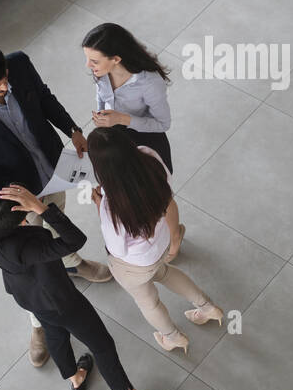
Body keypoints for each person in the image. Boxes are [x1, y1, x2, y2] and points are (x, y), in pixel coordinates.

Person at [0, 38, 112, 369]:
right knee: (36, 266)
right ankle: (38, 326)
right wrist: (11, 198)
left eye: (5, 78)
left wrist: (72, 128)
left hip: (53, 169)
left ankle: (73, 262)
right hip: (20, 200)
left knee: (58, 219)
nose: (5, 86)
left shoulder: (19, 63)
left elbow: (46, 100)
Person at [0, 183, 176, 390]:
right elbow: (75, 240)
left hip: (27, 296)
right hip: (60, 301)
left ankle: (75, 377)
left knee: (55, 334)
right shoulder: (29, 248)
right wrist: (41, 208)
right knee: (102, 344)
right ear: (22, 220)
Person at [87, 125, 222, 356]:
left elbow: (117, 247)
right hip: (161, 243)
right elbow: (167, 189)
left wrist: (100, 207)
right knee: (165, 272)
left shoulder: (112, 206)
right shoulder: (149, 156)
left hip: (133, 265)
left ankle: (172, 337)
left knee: (149, 302)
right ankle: (208, 308)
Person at [82, 22, 175, 172]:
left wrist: (120, 119)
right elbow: (101, 95)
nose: (88, 65)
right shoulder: (101, 72)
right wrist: (101, 114)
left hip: (145, 140)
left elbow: (163, 124)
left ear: (116, 59)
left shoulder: (149, 83)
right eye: (87, 58)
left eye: (94, 61)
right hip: (115, 139)